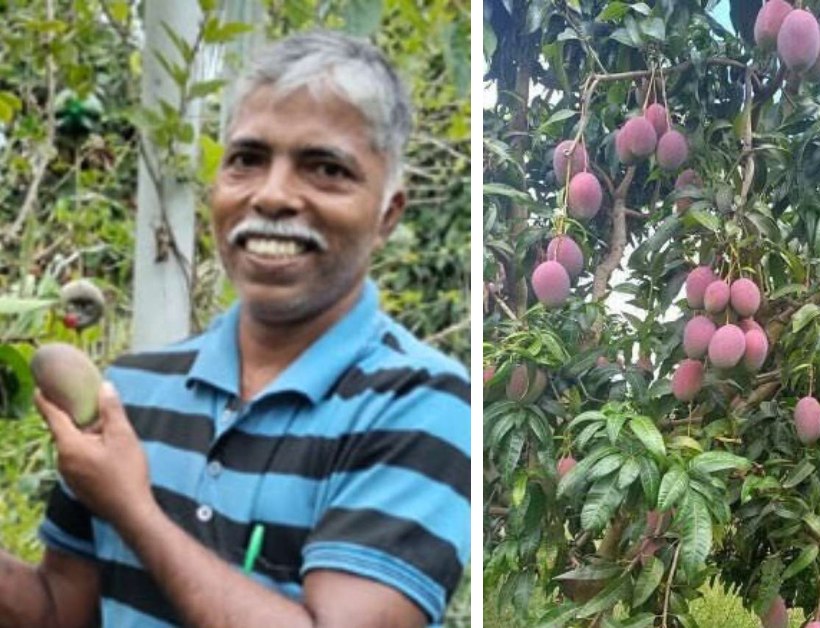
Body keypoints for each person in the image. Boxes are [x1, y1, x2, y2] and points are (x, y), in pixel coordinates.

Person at [0, 31, 470, 627]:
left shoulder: (421, 404)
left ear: (387, 214)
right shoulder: (130, 391)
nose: (272, 196)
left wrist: (131, 508)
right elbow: (58, 611)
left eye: (325, 168)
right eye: (247, 159)